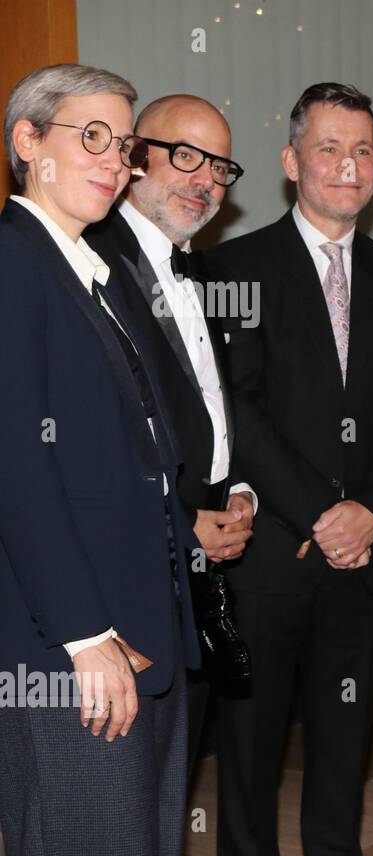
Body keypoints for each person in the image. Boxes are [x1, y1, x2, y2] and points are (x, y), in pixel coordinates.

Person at [205, 82, 373, 856]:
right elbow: (238, 410)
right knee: (250, 758)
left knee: (343, 754)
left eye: (362, 149)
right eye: (329, 148)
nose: (348, 164)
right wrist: (321, 515)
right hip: (269, 558)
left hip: (366, 561)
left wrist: (370, 512)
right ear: (292, 161)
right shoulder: (233, 267)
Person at [0, 63, 200, 856]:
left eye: (124, 144)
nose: (116, 160)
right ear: (27, 142)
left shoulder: (97, 275)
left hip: (139, 631)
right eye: (91, 138)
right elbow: (16, 464)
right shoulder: (14, 262)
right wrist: (86, 637)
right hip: (68, 652)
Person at [84, 93, 255, 776]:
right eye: (186, 156)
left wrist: (236, 488)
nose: (205, 180)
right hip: (121, 566)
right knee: (117, 780)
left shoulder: (200, 269)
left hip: (203, 564)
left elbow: (211, 402)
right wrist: (184, 522)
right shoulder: (88, 261)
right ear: (135, 158)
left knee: (172, 773)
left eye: (219, 167)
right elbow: (90, 437)